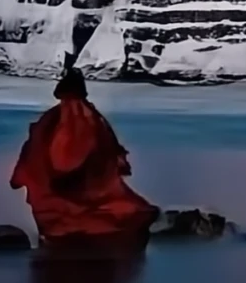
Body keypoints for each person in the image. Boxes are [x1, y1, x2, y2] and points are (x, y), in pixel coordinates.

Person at [10, 59, 159, 247]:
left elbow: (66, 148)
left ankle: (71, 238)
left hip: (69, 186)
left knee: (78, 210)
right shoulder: (83, 117)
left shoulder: (69, 118)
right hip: (75, 184)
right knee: (87, 208)